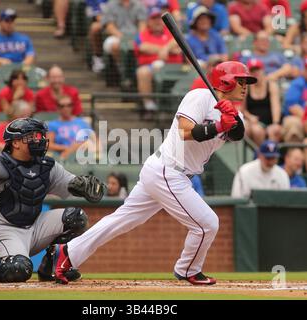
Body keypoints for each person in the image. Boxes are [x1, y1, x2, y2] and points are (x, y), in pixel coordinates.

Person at [51, 61, 257, 285]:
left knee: (122, 220)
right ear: (225, 81)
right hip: (168, 171)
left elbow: (237, 135)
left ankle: (68, 252)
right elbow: (184, 132)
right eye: (241, 81)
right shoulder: (200, 96)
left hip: (170, 174)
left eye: (246, 82)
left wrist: (230, 122)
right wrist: (217, 126)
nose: (245, 86)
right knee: (207, 224)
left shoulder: (236, 114)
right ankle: (188, 269)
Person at [0, 118, 105, 283]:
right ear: (16, 143)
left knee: (76, 217)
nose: (38, 140)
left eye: (39, 136)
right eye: (31, 136)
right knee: (18, 269)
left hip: (35, 227)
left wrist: (84, 186)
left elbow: (71, 184)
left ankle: (51, 268)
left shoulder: (47, 166)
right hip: (3, 230)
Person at [134, 6, 182, 111]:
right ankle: (149, 104)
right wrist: (167, 49)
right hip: (152, 67)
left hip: (175, 67)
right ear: (148, 21)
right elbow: (143, 47)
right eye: (154, 19)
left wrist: (165, 48)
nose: (157, 22)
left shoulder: (170, 31)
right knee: (142, 72)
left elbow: (178, 44)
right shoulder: (143, 34)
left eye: (159, 19)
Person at [241, 58, 282, 145]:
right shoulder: (246, 87)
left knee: (258, 130)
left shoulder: (271, 85)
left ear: (262, 70)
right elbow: (243, 109)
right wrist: (250, 117)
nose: (256, 73)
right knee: (246, 128)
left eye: (258, 70)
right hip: (252, 121)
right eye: (252, 70)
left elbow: (276, 107)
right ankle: (249, 156)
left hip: (268, 122)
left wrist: (275, 123)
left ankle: (261, 155)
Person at [47, 95, 96, 160]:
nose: (66, 108)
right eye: (62, 106)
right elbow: (49, 145)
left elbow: (93, 139)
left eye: (69, 105)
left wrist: (71, 149)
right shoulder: (53, 125)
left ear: (72, 106)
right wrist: (66, 148)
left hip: (83, 154)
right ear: (58, 108)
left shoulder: (82, 122)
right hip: (63, 156)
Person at [101, 0, 147, 66]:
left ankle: (137, 66)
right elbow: (109, 26)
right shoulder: (111, 4)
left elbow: (143, 25)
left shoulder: (138, 4)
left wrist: (137, 38)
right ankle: (121, 67)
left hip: (136, 36)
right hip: (117, 36)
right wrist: (123, 38)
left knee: (144, 45)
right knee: (114, 45)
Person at [282, 57, 307, 143]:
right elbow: (293, 108)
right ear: (304, 69)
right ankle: (294, 153)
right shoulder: (298, 83)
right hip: (299, 119)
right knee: (293, 123)